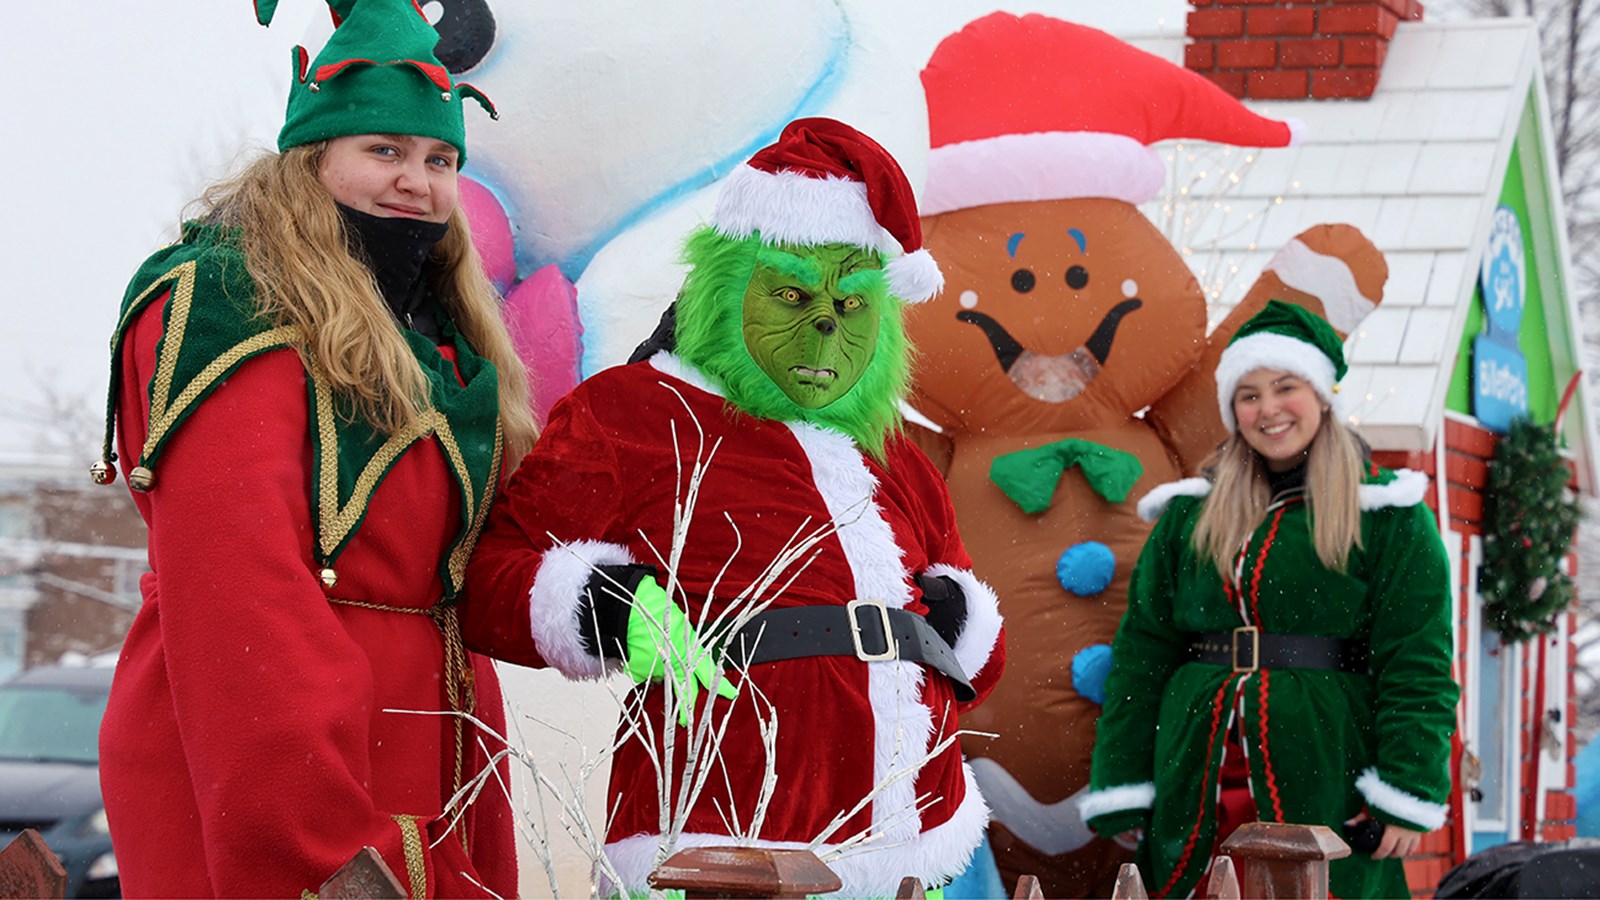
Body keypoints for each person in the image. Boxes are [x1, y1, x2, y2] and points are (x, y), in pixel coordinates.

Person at [465, 117, 1006, 897]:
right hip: (721, 833)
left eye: (853, 305)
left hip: (918, 839)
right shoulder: (634, 412)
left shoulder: (895, 454)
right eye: (792, 295)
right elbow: (491, 582)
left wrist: (958, 623)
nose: (825, 329)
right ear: (728, 286)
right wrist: (606, 610)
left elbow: (980, 658)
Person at [91, 1, 538, 894]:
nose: (416, 182)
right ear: (312, 155)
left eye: (440, 160)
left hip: (434, 748)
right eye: (385, 150)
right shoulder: (231, 303)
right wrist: (319, 836)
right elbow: (240, 590)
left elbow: (481, 564)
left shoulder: (447, 340)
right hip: (273, 758)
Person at [1079, 301, 1458, 899]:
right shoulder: (1189, 514)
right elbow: (1143, 654)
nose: (1268, 409)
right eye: (1249, 395)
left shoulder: (1388, 515)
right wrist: (1122, 778)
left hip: (1327, 754)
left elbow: (1418, 663)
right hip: (1197, 758)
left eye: (1286, 387)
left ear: (1322, 396)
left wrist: (1408, 787)